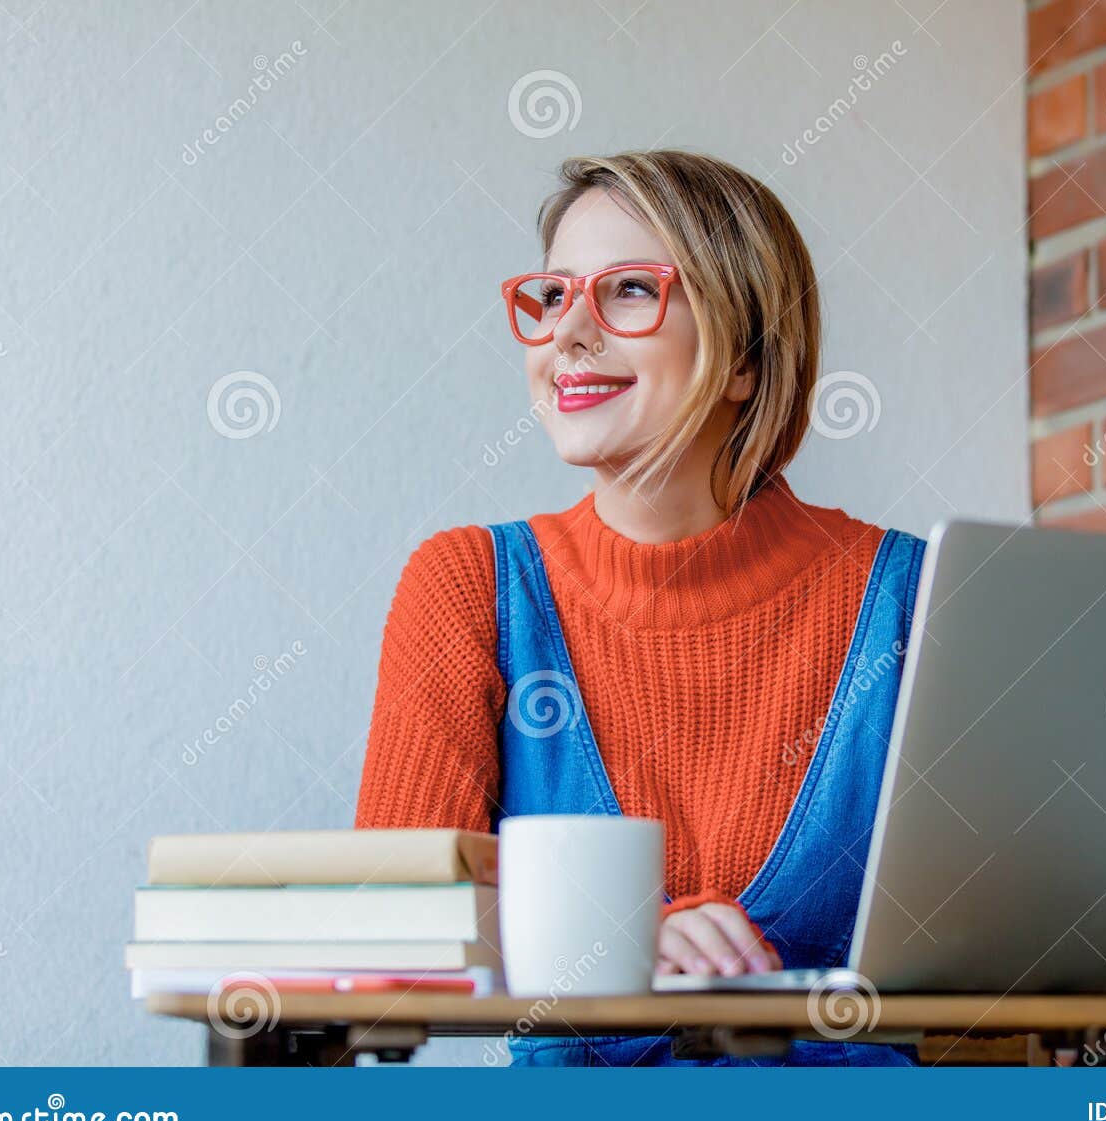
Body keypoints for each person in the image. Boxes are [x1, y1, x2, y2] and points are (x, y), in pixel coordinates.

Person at [354, 149, 923, 1066]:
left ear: (745, 358)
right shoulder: (471, 585)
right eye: (552, 296)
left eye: (627, 290)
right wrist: (611, 938)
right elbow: (391, 923)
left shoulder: (910, 598)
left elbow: (1034, 928)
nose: (568, 332)